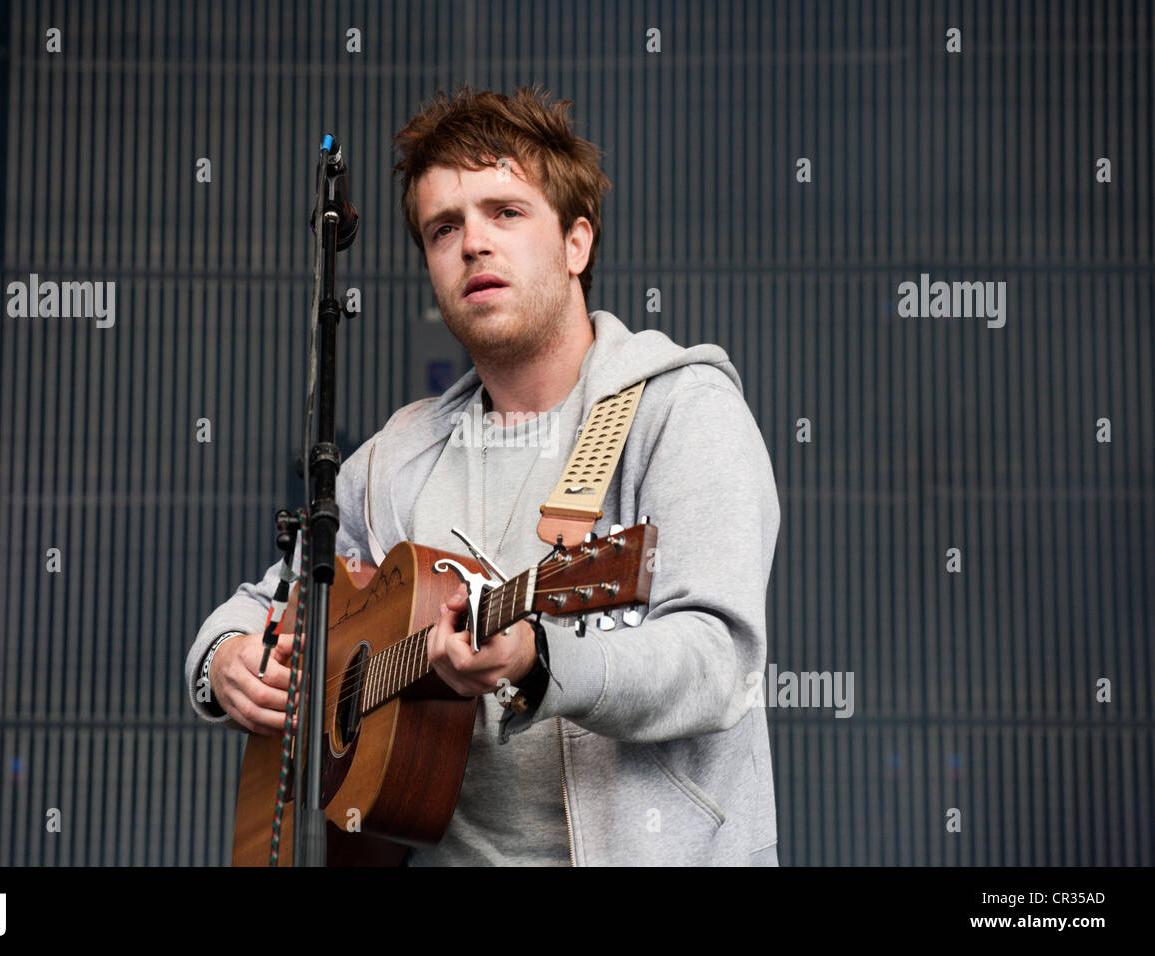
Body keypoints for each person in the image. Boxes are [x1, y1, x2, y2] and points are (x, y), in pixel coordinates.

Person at [184, 85, 781, 866]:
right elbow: (266, 607)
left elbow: (718, 661)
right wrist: (225, 659)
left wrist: (542, 659)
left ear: (576, 244)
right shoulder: (395, 457)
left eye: (506, 212)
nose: (473, 244)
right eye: (444, 228)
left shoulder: (675, 411)